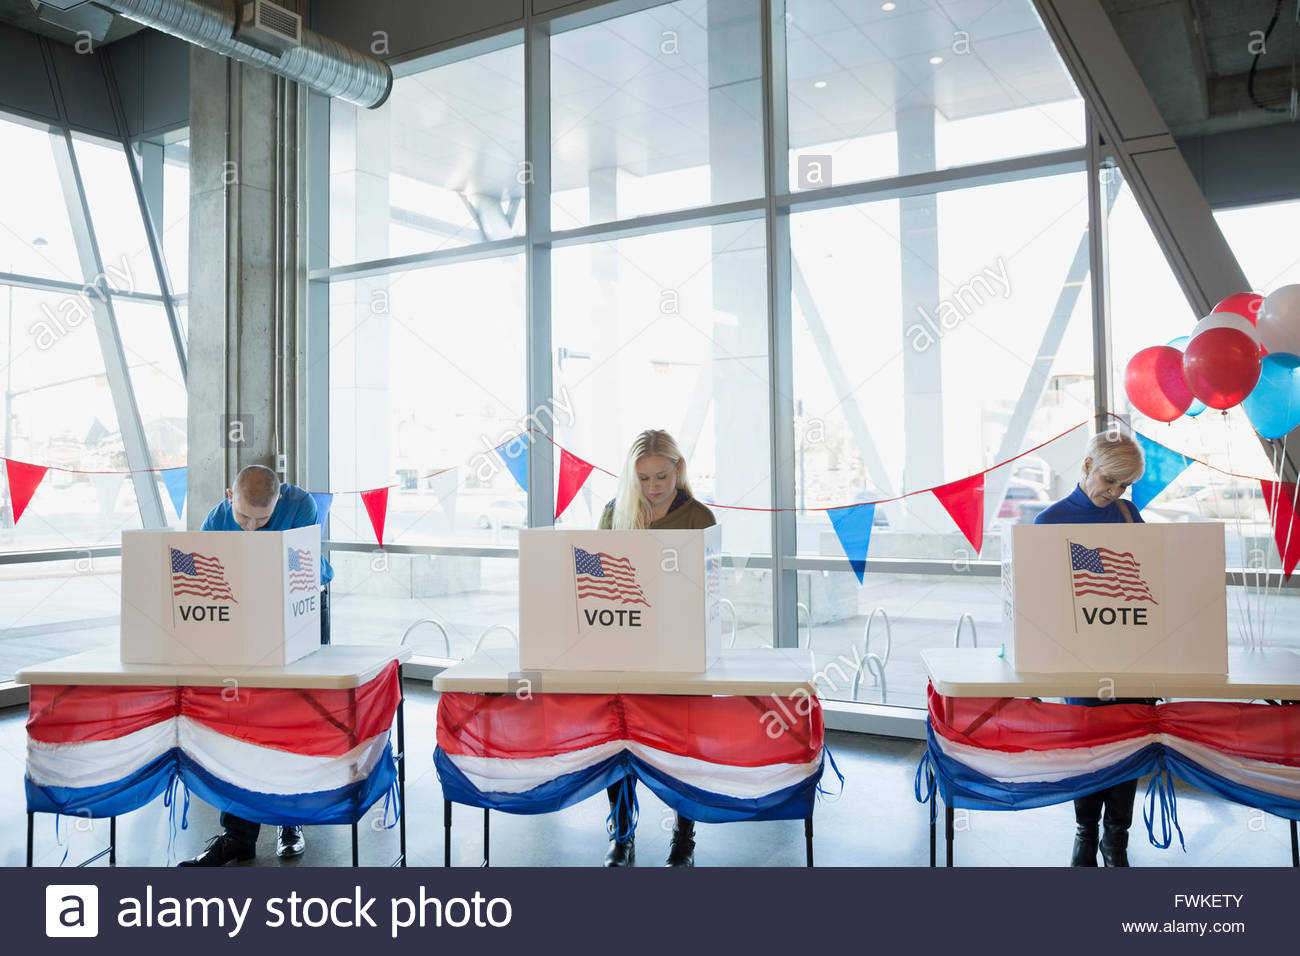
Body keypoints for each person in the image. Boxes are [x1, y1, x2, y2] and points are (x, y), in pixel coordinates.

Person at [179, 464, 334, 867]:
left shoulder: (301, 507)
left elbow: (298, 569)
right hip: (245, 610)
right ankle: (238, 836)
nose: (250, 527)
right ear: (230, 497)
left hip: (300, 606)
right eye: (244, 516)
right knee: (241, 723)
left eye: (261, 520)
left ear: (278, 500)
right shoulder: (216, 520)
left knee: (292, 717)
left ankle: (289, 821)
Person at [597, 429, 715, 867]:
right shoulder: (614, 514)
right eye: (643, 478)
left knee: (681, 744)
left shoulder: (698, 517)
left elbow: (709, 589)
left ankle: (683, 839)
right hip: (626, 645)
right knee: (620, 741)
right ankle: (622, 835)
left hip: (682, 648)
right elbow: (599, 584)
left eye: (661, 476)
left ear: (679, 469)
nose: (653, 487)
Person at [1034, 430, 1147, 867]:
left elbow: (1145, 577)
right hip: (1079, 652)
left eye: (1124, 485)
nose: (1115, 492)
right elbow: (1042, 597)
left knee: (1128, 742)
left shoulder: (1128, 512)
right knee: (1088, 747)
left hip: (1130, 649)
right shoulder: (1050, 521)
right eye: (1110, 480)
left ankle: (1115, 839)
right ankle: (1086, 832)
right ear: (1086, 467)